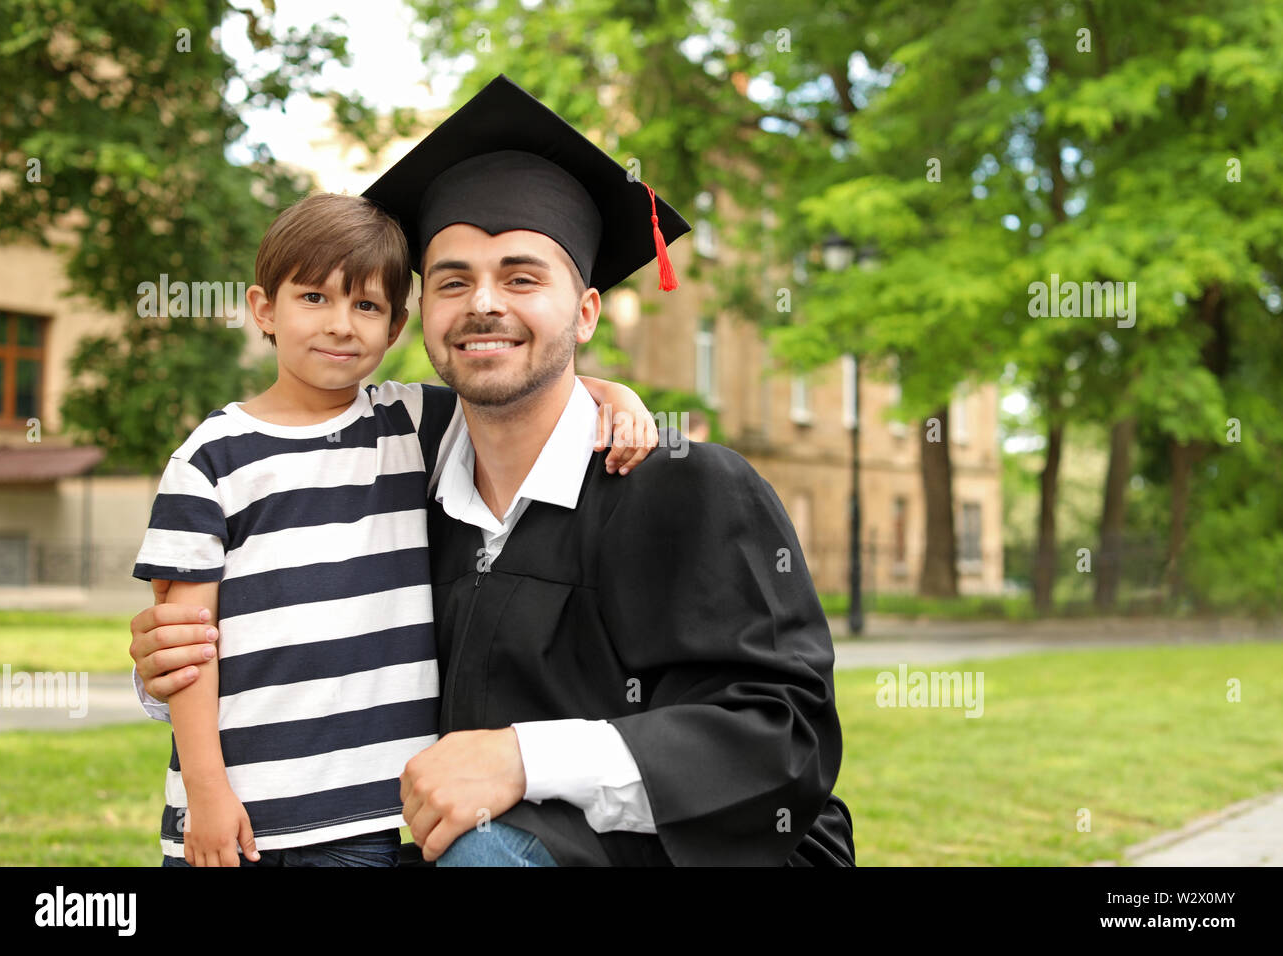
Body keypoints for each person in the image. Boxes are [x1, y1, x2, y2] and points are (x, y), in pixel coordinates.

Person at [134, 74, 855, 866]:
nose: (483, 304)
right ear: (426, 322)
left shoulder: (685, 487)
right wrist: (175, 659)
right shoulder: (407, 493)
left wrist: (522, 757)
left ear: (585, 313)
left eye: (521, 277)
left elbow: (785, 736)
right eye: (452, 281)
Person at [130, 188, 660, 867]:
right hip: (236, 816)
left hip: (366, 819)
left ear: (397, 326)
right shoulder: (211, 458)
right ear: (264, 308)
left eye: (367, 305)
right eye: (313, 298)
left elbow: (521, 387)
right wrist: (205, 794)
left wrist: (614, 394)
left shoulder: (410, 426)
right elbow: (182, 650)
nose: (342, 325)